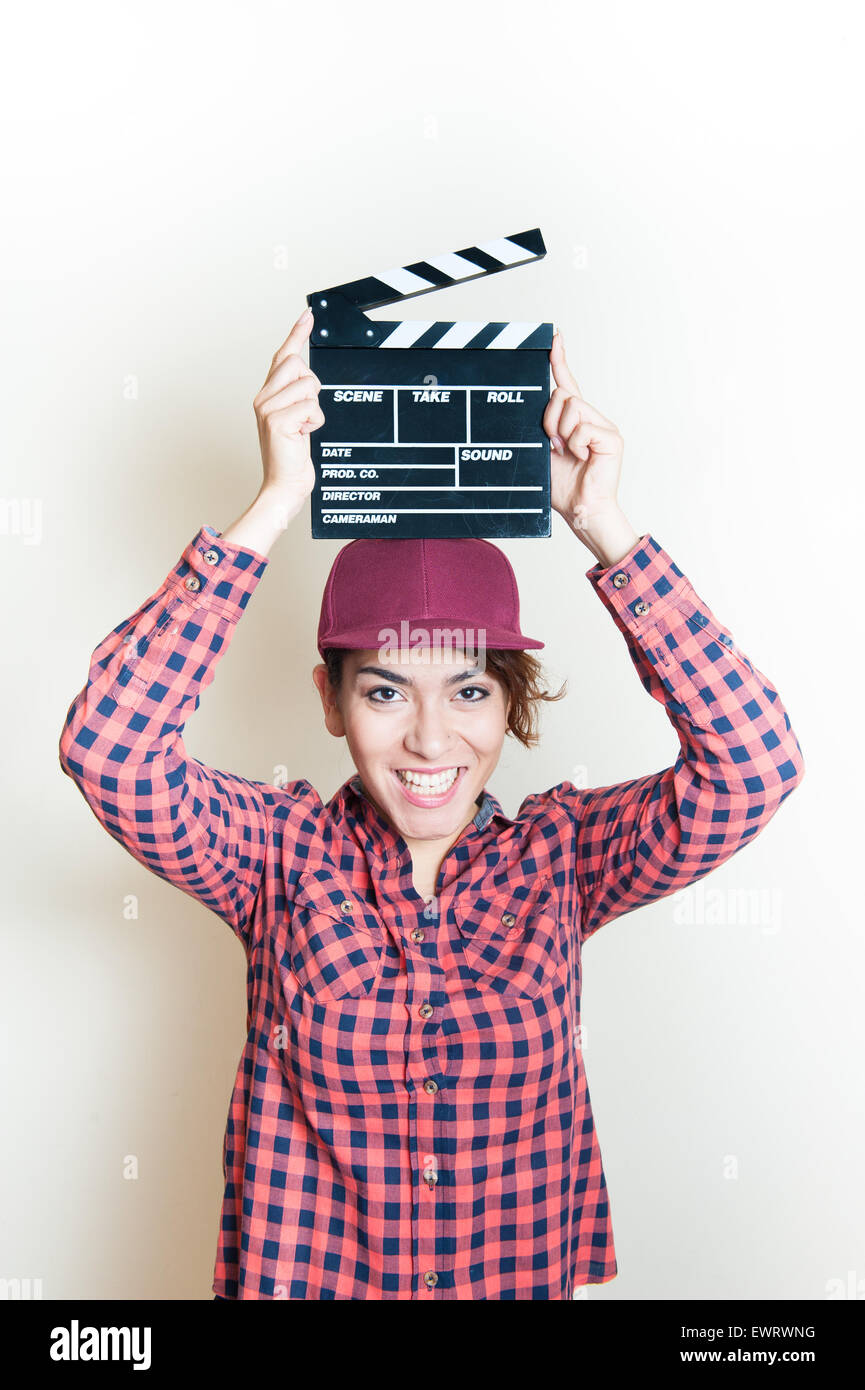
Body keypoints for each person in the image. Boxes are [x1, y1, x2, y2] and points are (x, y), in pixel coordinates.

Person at [58, 305, 805, 1300]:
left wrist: (603, 525)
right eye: (382, 690)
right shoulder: (277, 857)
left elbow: (754, 762)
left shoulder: (563, 858)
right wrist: (276, 501)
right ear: (329, 700)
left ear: (509, 702)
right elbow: (107, 747)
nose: (428, 739)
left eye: (466, 689)